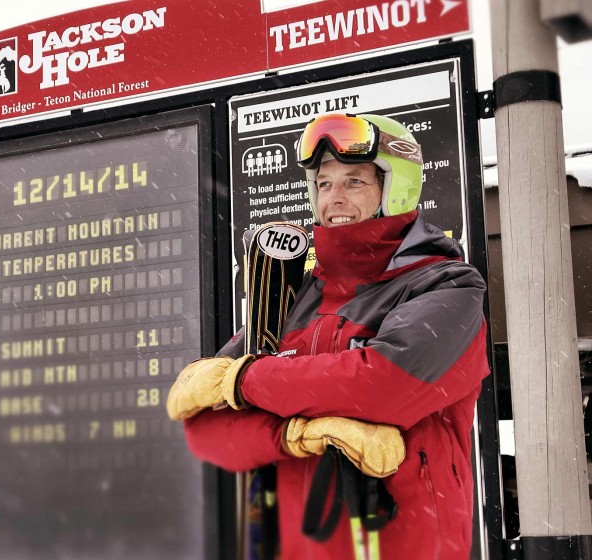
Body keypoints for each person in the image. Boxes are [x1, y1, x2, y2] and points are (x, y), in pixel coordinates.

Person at [166, 113, 491, 559]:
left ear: (395, 188)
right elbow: (206, 427)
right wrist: (295, 436)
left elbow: (381, 388)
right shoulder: (291, 298)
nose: (334, 197)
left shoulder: (447, 287)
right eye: (323, 183)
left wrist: (245, 382)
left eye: (354, 181)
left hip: (405, 544)